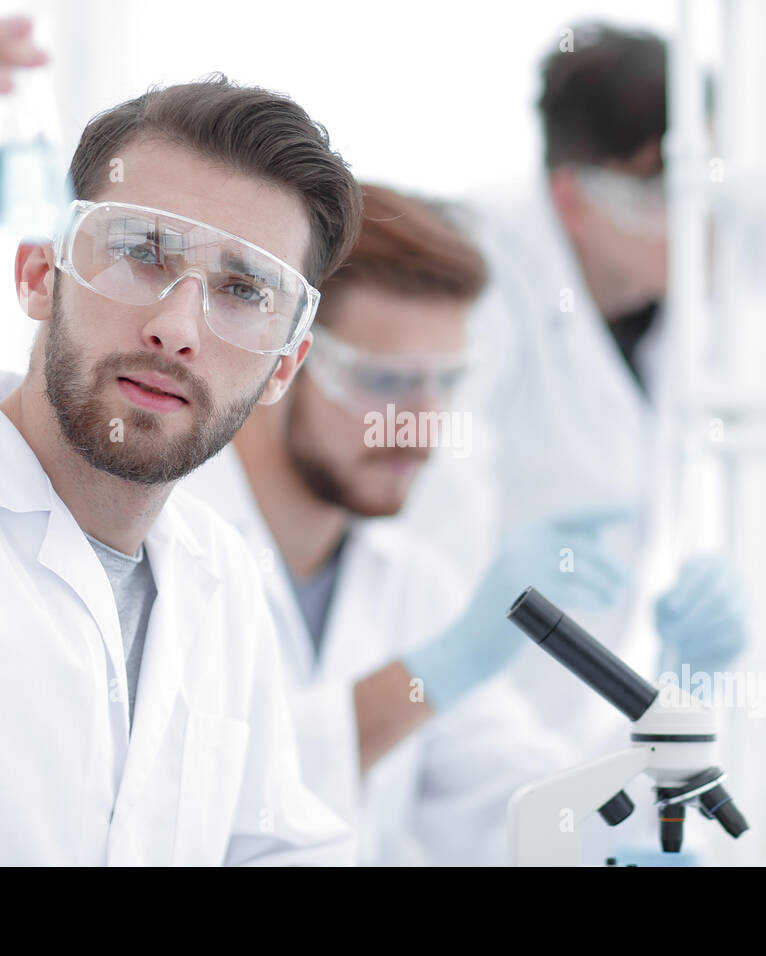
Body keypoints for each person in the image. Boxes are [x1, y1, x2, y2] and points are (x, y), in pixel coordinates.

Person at [0, 16, 362, 865]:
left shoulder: (218, 575)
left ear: (283, 365)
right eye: (142, 253)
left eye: (242, 289)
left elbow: (268, 843)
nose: (177, 327)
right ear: (40, 274)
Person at [405, 24, 766, 748]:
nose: (702, 219)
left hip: (555, 720)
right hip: (441, 712)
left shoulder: (684, 247)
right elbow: (433, 497)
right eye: (664, 188)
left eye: (706, 180)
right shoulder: (482, 271)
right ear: (573, 198)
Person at [182, 184, 628, 865]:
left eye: (446, 382)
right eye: (387, 383)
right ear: (279, 358)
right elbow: (200, 796)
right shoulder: (165, 547)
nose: (422, 425)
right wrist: (430, 674)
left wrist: (668, 731)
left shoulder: (413, 580)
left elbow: (522, 813)